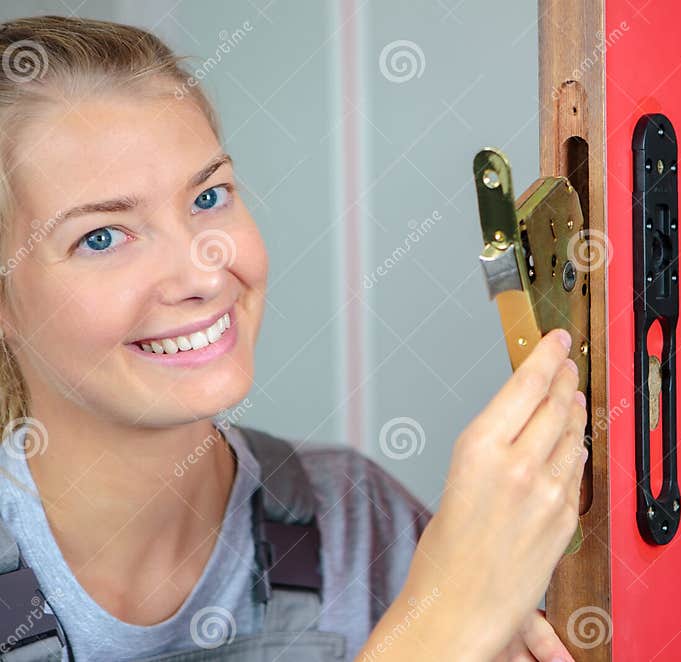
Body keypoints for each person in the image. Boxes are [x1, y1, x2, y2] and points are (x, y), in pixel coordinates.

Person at [0, 14, 588, 662]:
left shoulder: (358, 521)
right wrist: (438, 630)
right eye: (103, 237)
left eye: (208, 198)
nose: (202, 271)